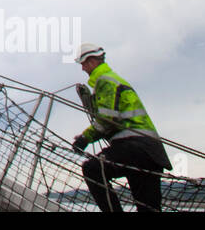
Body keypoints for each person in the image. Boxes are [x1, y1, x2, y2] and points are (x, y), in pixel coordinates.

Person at [72, 43, 172, 212]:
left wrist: (84, 138)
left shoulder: (105, 81)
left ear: (91, 61)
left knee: (92, 169)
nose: (82, 69)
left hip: (134, 148)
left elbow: (108, 119)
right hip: (151, 152)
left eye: (83, 63)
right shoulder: (113, 79)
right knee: (148, 208)